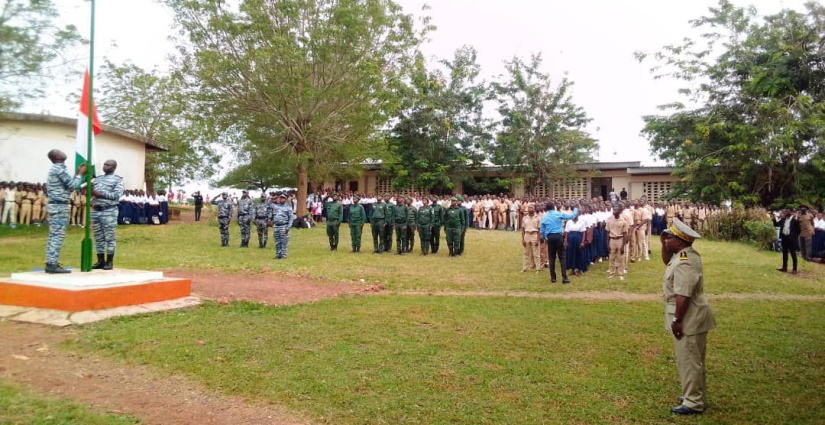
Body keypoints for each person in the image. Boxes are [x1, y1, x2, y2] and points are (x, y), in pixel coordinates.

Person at [661, 218, 716, 415]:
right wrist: (663, 244)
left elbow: (683, 295)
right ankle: (694, 395)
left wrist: (677, 320)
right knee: (691, 358)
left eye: (670, 237)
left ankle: (693, 402)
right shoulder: (682, 255)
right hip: (691, 314)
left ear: (680, 240)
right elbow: (667, 261)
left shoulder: (686, 261)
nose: (666, 239)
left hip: (689, 316)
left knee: (690, 359)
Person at [44, 149, 86, 273]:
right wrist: (80, 174)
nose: (63, 152)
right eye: (60, 152)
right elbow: (73, 185)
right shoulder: (59, 169)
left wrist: (77, 174)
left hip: (57, 205)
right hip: (59, 206)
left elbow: (68, 184)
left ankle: (51, 262)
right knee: (57, 235)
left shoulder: (58, 169)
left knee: (55, 235)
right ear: (57, 156)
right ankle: (52, 264)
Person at [91, 160, 124, 270]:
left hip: (109, 211)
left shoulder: (118, 180)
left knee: (109, 237)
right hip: (96, 210)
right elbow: (92, 193)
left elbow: (116, 195)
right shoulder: (97, 179)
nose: (105, 166)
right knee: (98, 237)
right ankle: (100, 261)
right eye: (104, 164)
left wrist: (100, 194)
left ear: (114, 167)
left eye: (108, 165)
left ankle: (109, 262)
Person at [540, 202, 578, 283]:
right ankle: (564, 277)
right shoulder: (558, 214)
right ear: (554, 207)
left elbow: (542, 230)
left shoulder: (545, 217)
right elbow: (571, 216)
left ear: (546, 208)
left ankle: (553, 277)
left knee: (551, 257)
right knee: (562, 257)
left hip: (549, 237)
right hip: (558, 236)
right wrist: (575, 209)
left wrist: (545, 237)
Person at [606, 205, 629, 280]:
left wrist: (623, 245)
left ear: (619, 211)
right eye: (614, 209)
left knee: (620, 257)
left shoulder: (623, 221)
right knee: (612, 257)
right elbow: (607, 233)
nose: (614, 211)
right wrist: (607, 243)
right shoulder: (609, 221)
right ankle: (612, 273)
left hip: (620, 239)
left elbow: (625, 233)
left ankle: (621, 274)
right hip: (612, 240)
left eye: (616, 209)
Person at [773, 209, 800, 274]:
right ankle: (784, 267)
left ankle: (794, 269)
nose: (785, 213)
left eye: (787, 212)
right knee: (784, 253)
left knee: (793, 253)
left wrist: (794, 237)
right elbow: (776, 224)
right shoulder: (783, 219)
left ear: (791, 212)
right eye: (784, 212)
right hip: (784, 238)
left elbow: (798, 230)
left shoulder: (795, 221)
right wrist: (774, 218)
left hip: (791, 239)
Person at [271, 194, 295, 259]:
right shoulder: (276, 206)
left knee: (284, 241)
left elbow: (291, 218)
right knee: (277, 241)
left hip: (284, 226)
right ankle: (278, 255)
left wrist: (288, 227)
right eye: (281, 198)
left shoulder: (288, 207)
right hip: (276, 226)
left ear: (286, 199)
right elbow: (269, 204)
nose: (282, 199)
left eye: (283, 198)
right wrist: (273, 198)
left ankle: (283, 255)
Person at [521, 204, 542, 272]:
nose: (530, 209)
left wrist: (538, 239)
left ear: (534, 209)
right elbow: (523, 229)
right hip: (527, 235)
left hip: (534, 234)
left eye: (532, 208)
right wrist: (523, 239)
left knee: (536, 253)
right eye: (529, 208)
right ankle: (525, 268)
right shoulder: (525, 218)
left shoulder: (537, 218)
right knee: (526, 253)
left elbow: (539, 230)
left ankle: (538, 268)